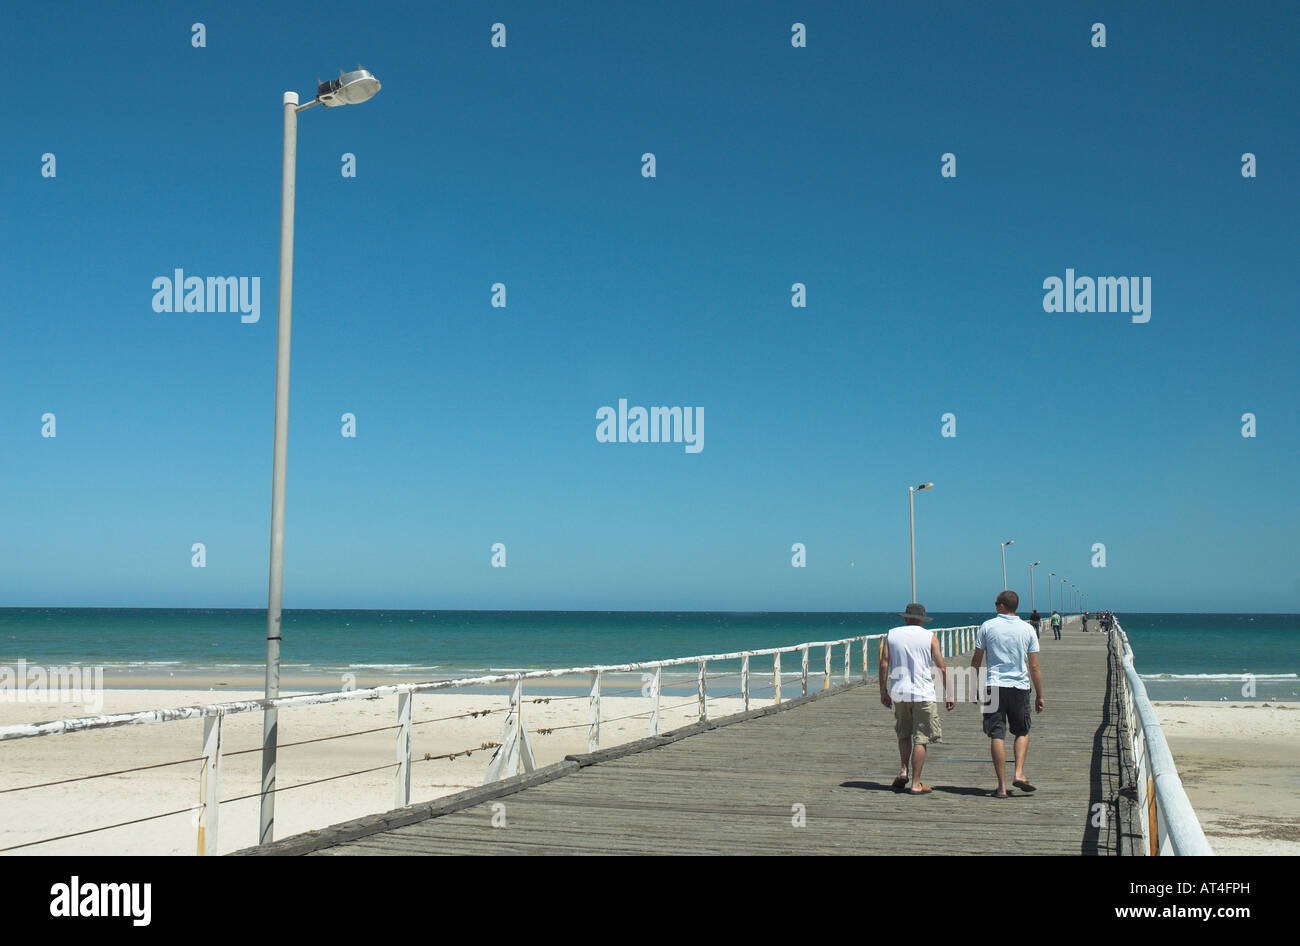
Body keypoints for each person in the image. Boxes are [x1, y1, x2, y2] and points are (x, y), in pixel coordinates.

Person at [970, 591, 1045, 798]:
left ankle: (1001, 787)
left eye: (996, 603)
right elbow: (1035, 666)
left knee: (996, 734)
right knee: (1022, 731)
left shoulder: (988, 626)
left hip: (993, 686)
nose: (994, 606)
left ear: (1002, 606)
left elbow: (976, 661)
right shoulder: (1027, 629)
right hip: (1020, 687)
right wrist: (1040, 694)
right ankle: (1019, 773)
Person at [878, 603, 954, 796]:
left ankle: (903, 770)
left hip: (900, 692)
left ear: (905, 617)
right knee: (921, 738)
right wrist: (949, 693)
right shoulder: (930, 637)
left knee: (903, 733)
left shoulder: (892, 634)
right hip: (923, 693)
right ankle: (916, 783)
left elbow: (884, 663)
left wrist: (883, 691)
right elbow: (942, 667)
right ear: (922, 619)